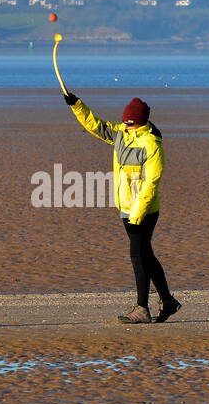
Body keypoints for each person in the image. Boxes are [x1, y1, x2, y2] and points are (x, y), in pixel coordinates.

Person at [62, 87, 181, 323]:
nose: (125, 126)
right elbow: (95, 125)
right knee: (146, 256)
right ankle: (168, 301)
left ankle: (142, 309)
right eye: (124, 122)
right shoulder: (120, 134)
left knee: (138, 257)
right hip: (125, 209)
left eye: (129, 123)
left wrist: (137, 215)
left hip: (144, 211)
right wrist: (76, 105)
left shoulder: (151, 143)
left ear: (139, 122)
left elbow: (151, 183)